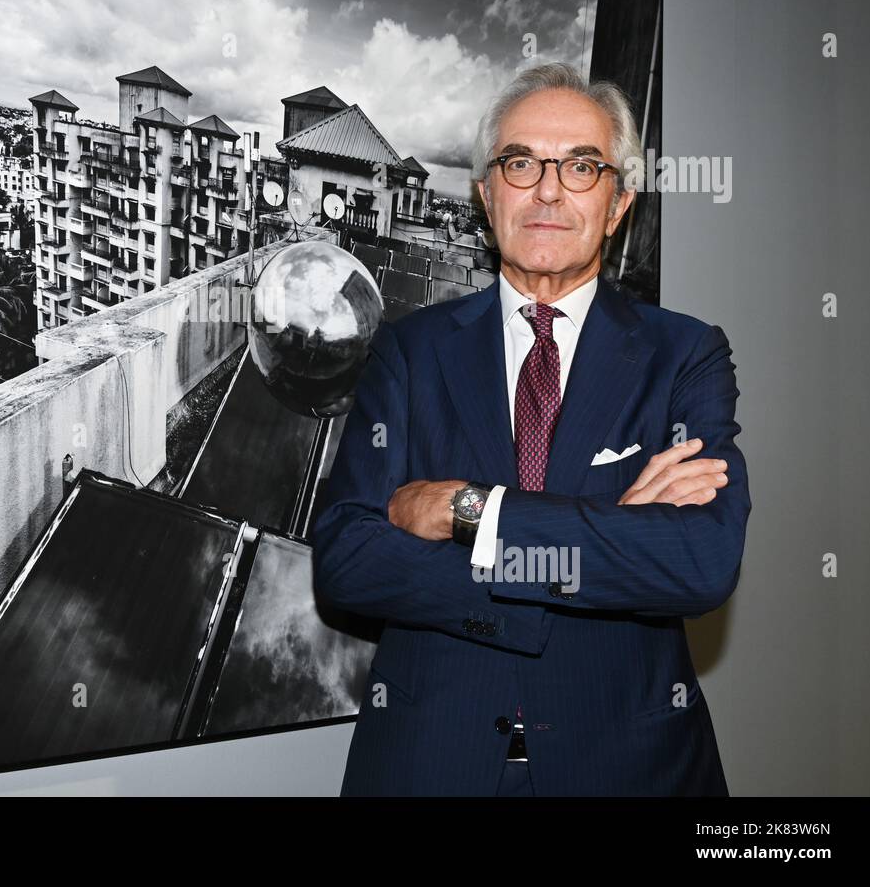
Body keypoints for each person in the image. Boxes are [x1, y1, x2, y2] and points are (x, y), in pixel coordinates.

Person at [312, 62, 750, 796]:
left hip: (626, 768)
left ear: (619, 204)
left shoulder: (686, 354)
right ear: (488, 196)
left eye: (581, 166)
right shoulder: (409, 349)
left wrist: (469, 511)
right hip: (433, 763)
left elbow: (701, 560)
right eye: (522, 163)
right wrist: (609, 536)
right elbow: (348, 560)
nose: (548, 189)